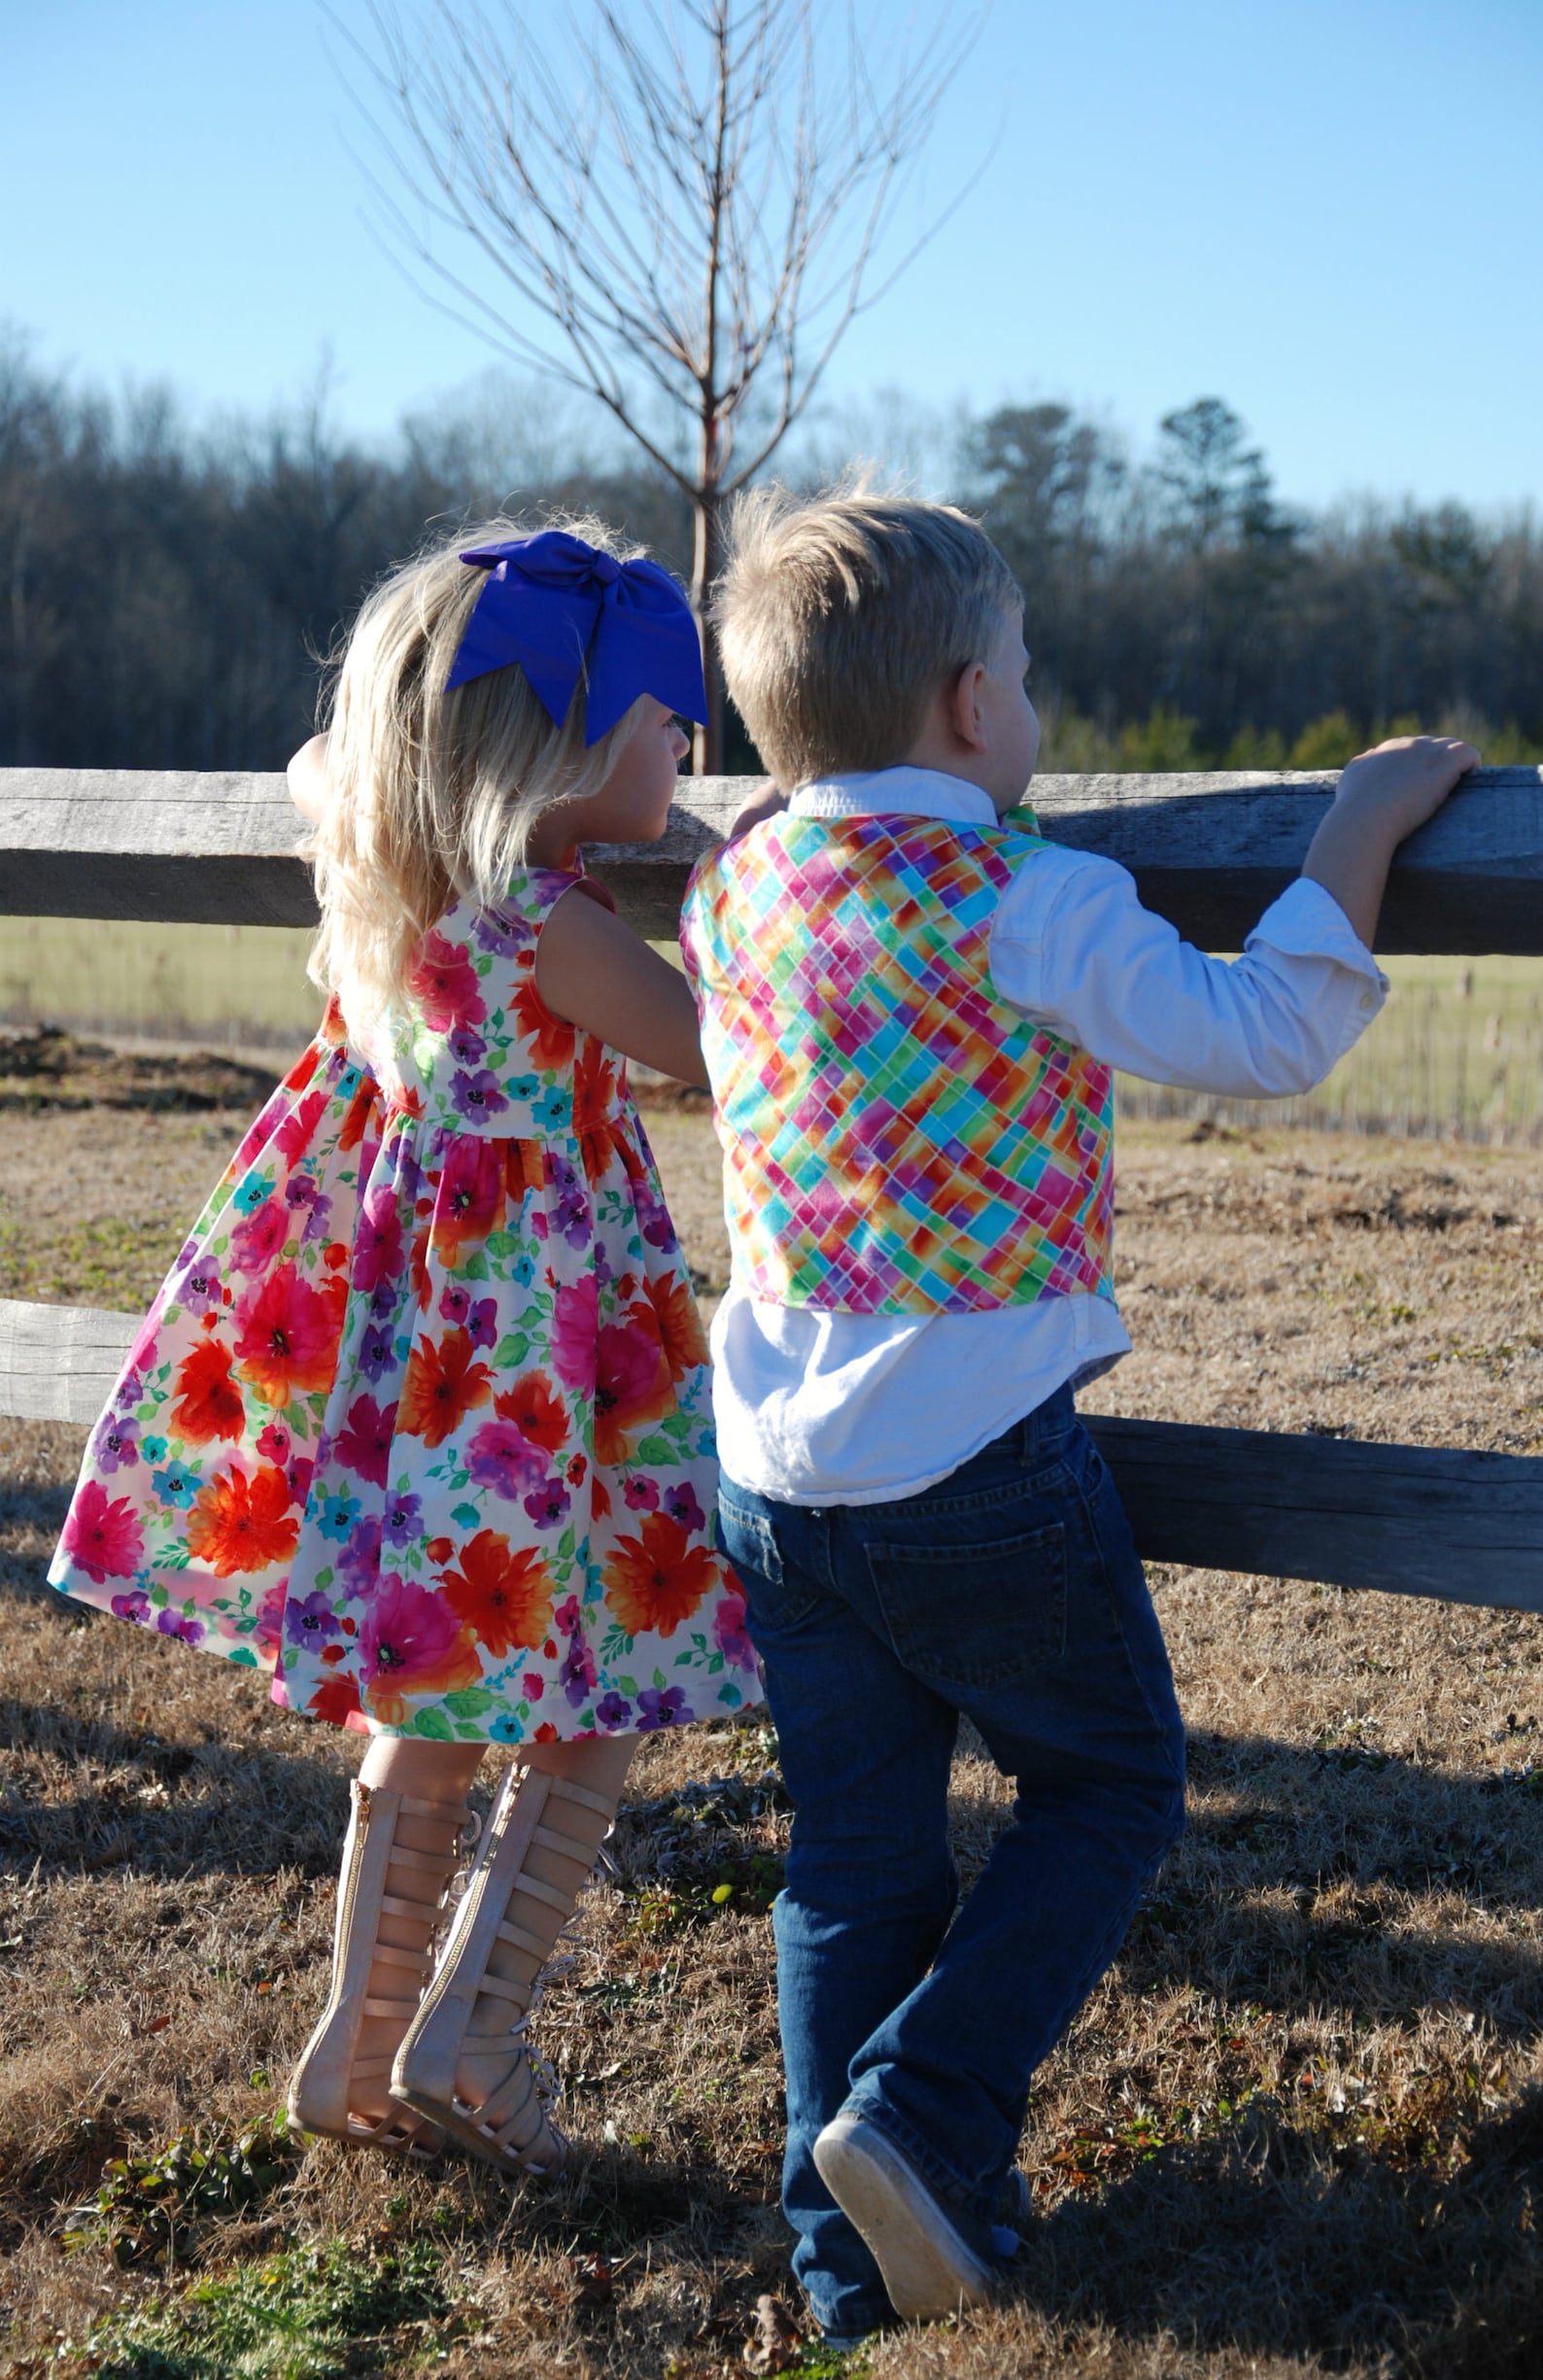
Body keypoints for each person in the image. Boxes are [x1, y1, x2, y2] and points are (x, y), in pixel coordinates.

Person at [679, 485, 1478, 2341]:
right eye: (1025, 673)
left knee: (852, 1859)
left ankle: (843, 2266)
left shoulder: (740, 888)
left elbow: (774, 847)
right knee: (1110, 1784)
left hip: (773, 1471)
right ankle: (924, 2111)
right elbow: (1266, 1029)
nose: (1034, 704)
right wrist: (1354, 826)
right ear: (973, 705)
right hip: (970, 1462)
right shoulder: (1028, 899)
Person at [50, 520, 759, 2180]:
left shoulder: (394, 873)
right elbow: (726, 1051)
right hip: (549, 1376)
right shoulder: (553, 925)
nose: (687, 748)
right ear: (556, 742)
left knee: (443, 1681)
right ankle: (473, 2034)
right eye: (662, 721)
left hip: (427, 1369)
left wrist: (390, 752)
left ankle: (357, 2049)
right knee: (604, 1677)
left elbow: (321, 766)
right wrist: (752, 884)